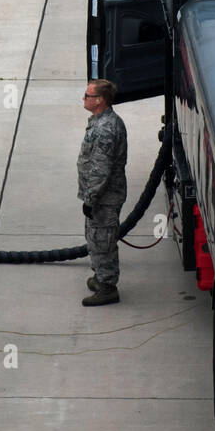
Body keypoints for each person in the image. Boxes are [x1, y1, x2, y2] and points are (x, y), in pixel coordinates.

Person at [77, 79, 127, 306]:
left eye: (87, 95)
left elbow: (101, 168)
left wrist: (91, 198)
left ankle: (107, 287)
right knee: (95, 237)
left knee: (102, 241)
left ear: (100, 101)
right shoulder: (101, 122)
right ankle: (100, 276)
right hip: (101, 197)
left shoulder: (106, 128)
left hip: (104, 198)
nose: (83, 98)